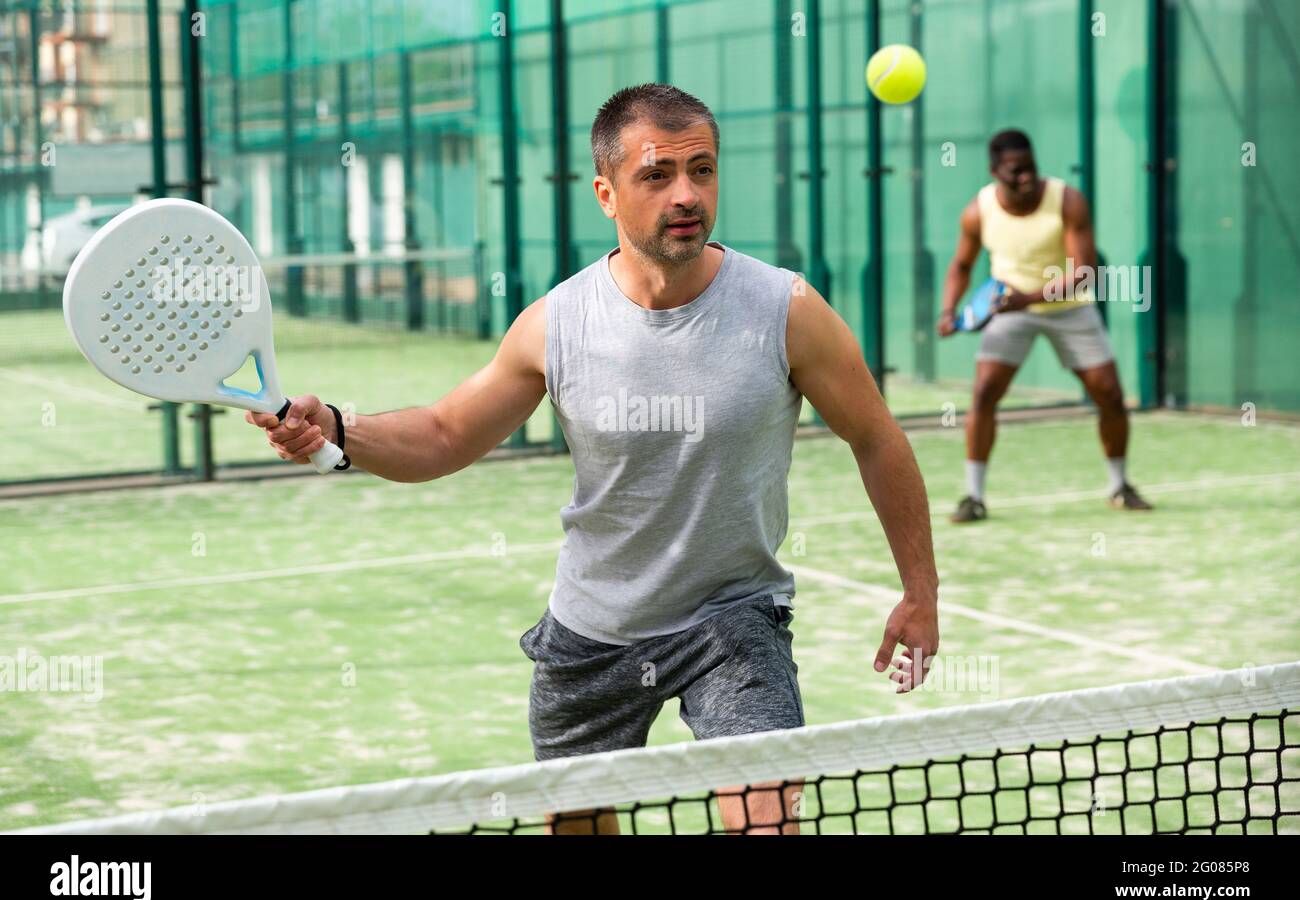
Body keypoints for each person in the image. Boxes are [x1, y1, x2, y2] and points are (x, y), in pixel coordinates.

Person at [246, 84, 940, 834]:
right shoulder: (557, 323)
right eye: (657, 175)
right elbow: (447, 434)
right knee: (575, 825)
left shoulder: (786, 309)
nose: (686, 195)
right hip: (593, 629)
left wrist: (920, 587)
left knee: (765, 818)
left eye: (702, 170)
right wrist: (342, 429)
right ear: (607, 193)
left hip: (732, 619)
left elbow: (876, 436)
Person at [938, 129, 1152, 523]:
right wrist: (948, 310)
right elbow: (962, 266)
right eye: (1015, 171)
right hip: (1009, 307)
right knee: (984, 393)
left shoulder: (1067, 201)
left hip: (1067, 305)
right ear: (994, 170)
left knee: (1109, 393)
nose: (1025, 178)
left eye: (1030, 168)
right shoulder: (977, 211)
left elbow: (1084, 272)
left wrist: (1028, 297)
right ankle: (973, 497)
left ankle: (1119, 486)